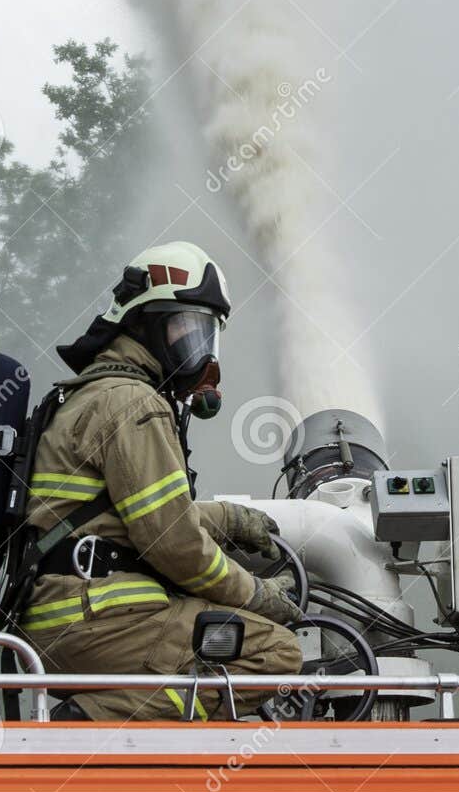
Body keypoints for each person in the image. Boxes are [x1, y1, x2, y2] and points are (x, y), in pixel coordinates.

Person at [16, 240, 302, 720]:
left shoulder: (97, 394)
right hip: (99, 616)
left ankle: (104, 713)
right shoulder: (133, 403)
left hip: (64, 614)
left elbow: (133, 519)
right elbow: (175, 547)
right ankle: (93, 721)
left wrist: (228, 519)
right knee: (273, 654)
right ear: (145, 325)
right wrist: (256, 594)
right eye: (185, 331)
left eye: (205, 336)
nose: (200, 355)